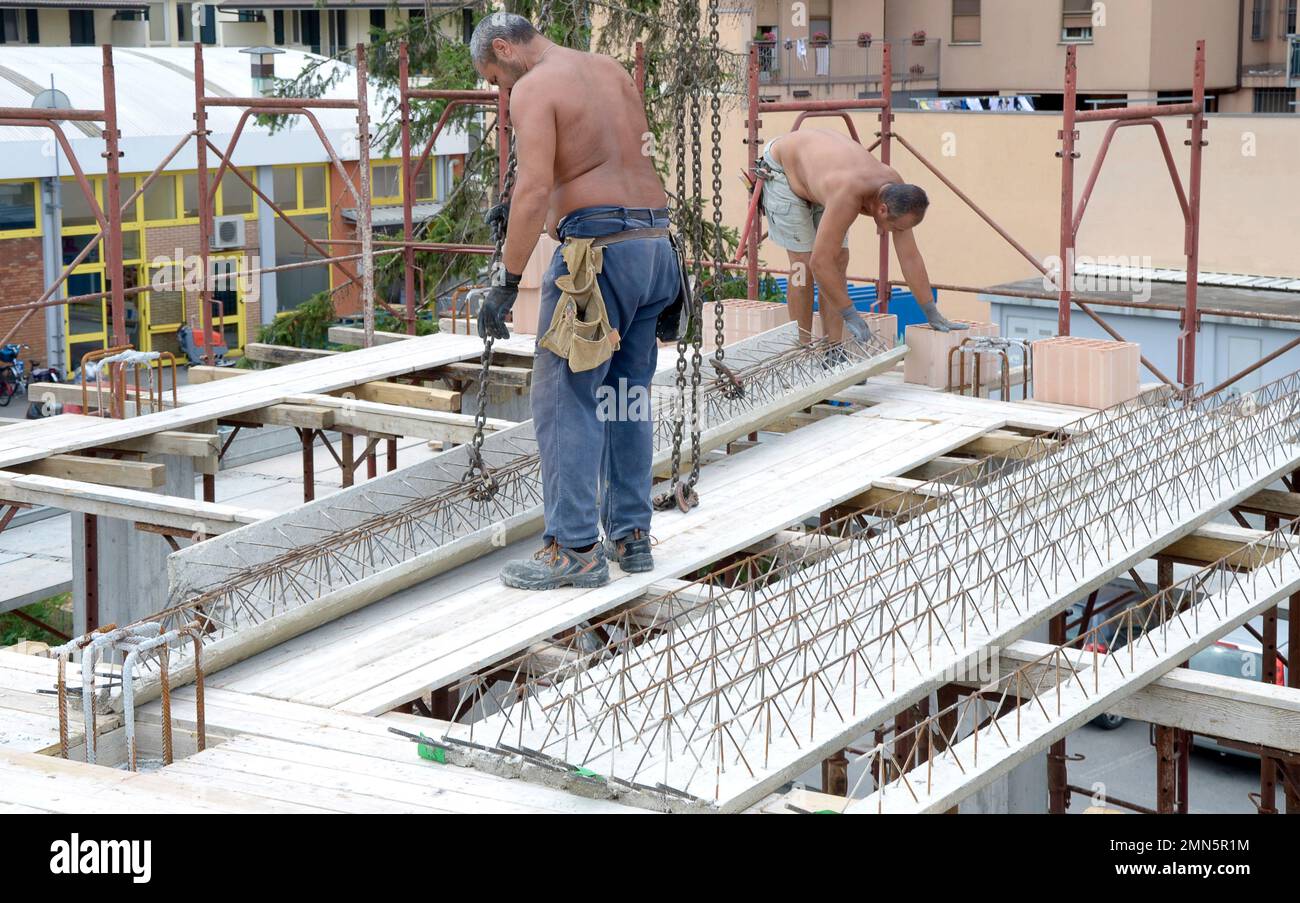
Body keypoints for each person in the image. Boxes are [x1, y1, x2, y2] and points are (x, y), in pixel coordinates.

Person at [471, 13, 683, 590]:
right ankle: (631, 536)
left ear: (503, 49)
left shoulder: (535, 86)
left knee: (565, 398)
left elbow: (539, 186)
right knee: (623, 395)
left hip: (598, 259)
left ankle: (574, 549)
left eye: (496, 78)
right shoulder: (609, 70)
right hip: (652, 247)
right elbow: (601, 167)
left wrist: (507, 282)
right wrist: (522, 215)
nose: (502, 91)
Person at [756, 128, 966, 343]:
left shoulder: (897, 190)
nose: (896, 234)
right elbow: (819, 263)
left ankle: (833, 351)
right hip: (783, 170)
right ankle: (802, 349)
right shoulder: (847, 195)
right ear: (882, 210)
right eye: (895, 229)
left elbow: (910, 257)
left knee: (838, 262)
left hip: (820, 175)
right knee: (803, 264)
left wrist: (931, 311)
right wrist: (850, 314)